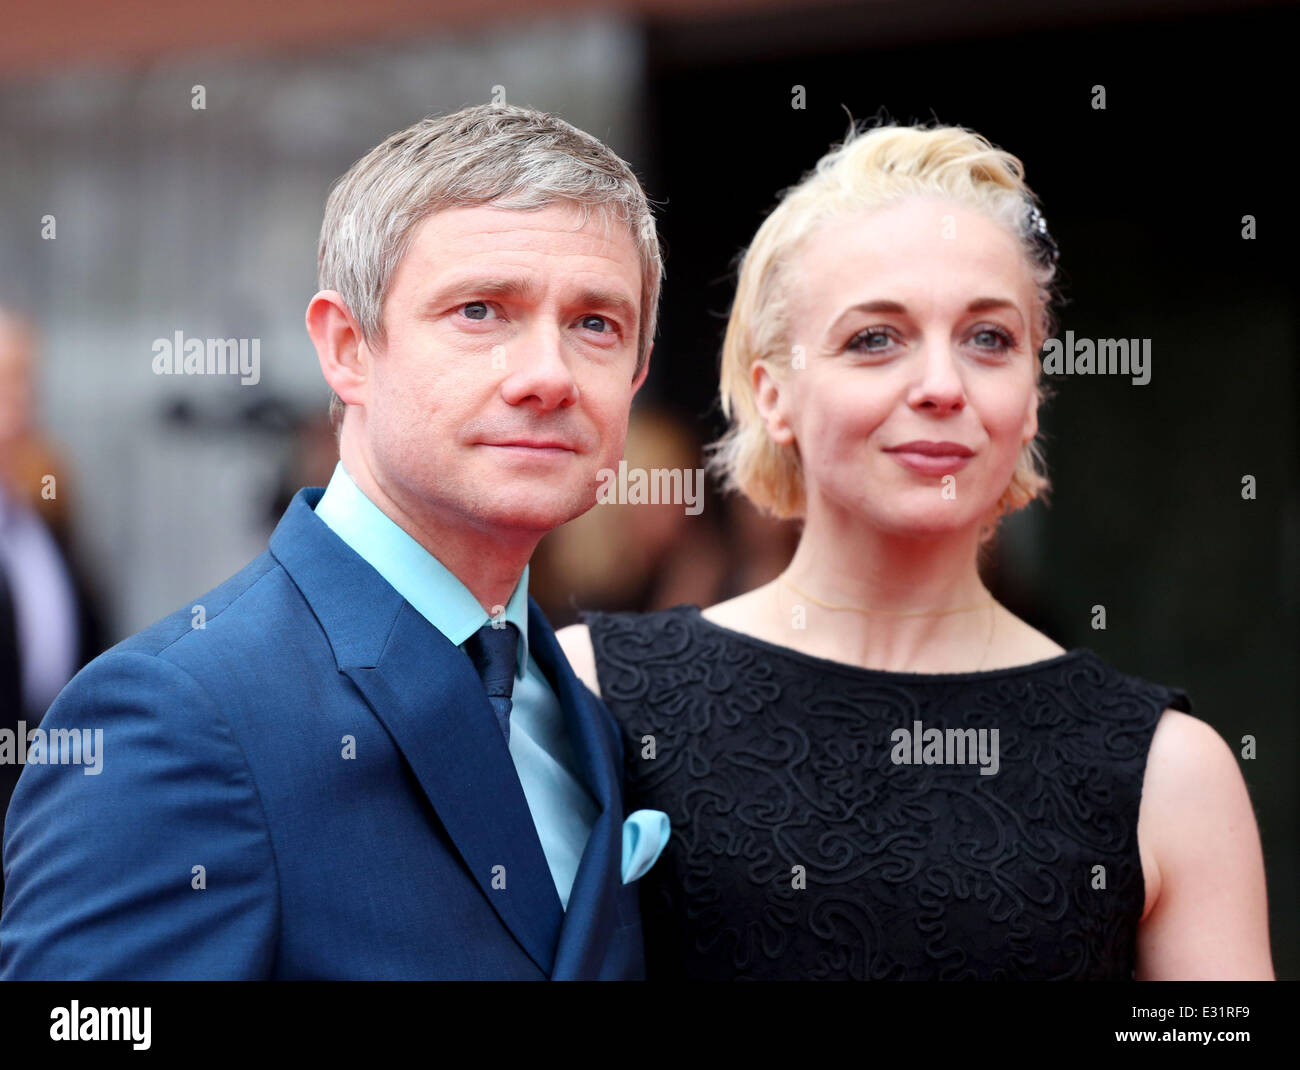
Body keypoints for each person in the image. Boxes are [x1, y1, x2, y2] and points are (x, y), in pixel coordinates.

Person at [558, 121, 1274, 980]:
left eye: (989, 339)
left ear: (1032, 399)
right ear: (772, 393)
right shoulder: (589, 698)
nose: (942, 386)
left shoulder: (1171, 773)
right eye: (875, 338)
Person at [1, 103, 667, 979]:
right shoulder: (174, 717)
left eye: (595, 324)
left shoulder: (589, 713)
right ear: (347, 347)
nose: (547, 374)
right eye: (480, 311)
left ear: (637, 372)